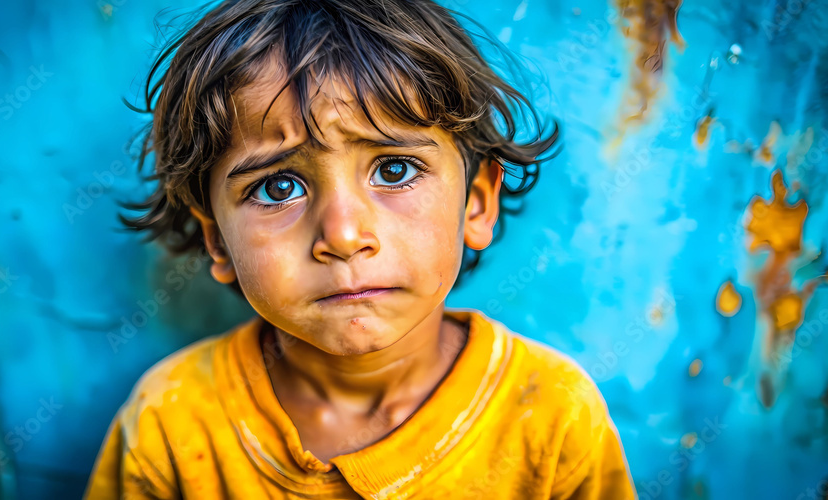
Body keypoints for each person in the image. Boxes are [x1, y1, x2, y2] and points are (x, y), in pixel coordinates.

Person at [84, 0, 635, 498]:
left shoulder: (552, 416)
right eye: (278, 188)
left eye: (394, 170)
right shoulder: (171, 421)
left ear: (477, 205)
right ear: (217, 241)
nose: (344, 236)